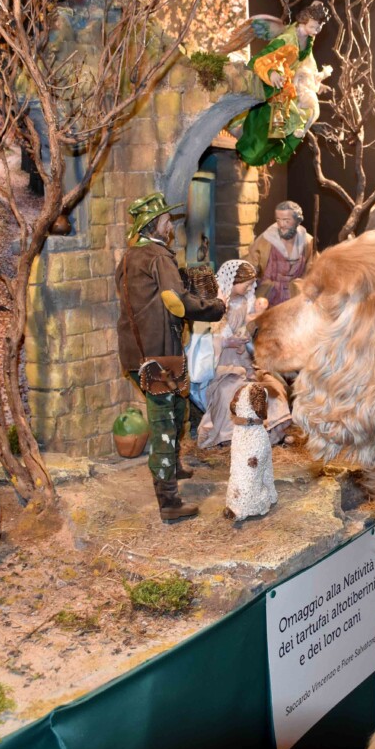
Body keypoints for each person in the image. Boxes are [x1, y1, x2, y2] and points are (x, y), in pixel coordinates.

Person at [115, 192, 226, 522]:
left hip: (138, 353)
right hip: (158, 357)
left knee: (177, 406)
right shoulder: (159, 257)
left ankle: (174, 465)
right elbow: (175, 302)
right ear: (154, 225)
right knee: (164, 421)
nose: (170, 225)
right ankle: (168, 501)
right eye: (166, 220)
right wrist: (215, 308)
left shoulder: (130, 257)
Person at [196, 260, 291, 449]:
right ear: (233, 280)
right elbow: (204, 339)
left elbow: (246, 326)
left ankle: (268, 432)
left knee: (273, 387)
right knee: (232, 392)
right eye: (247, 284)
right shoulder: (214, 304)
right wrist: (226, 342)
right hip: (220, 362)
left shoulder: (245, 301)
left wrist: (246, 334)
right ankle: (232, 436)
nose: (250, 288)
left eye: (251, 284)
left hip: (243, 359)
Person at [233, 0, 331, 167]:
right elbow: (259, 60)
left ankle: (274, 153)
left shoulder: (308, 39)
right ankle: (249, 151)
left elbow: (307, 63)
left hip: (289, 87)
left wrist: (316, 82)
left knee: (304, 115)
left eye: (319, 27)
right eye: (314, 26)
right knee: (271, 127)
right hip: (273, 86)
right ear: (304, 20)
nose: (317, 30)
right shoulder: (286, 40)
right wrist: (271, 73)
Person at [247, 200, 315, 307]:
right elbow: (250, 266)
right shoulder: (266, 239)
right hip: (267, 296)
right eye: (278, 220)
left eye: (286, 220)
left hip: (296, 297)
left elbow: (312, 270)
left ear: (297, 221)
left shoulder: (307, 241)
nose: (281, 225)